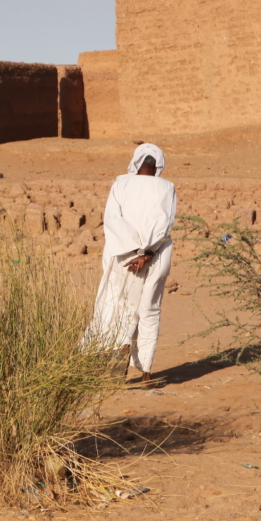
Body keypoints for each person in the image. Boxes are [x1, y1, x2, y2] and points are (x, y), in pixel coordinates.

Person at [85, 143, 177, 385]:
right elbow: (164, 223)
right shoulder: (167, 187)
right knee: (149, 310)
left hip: (124, 255)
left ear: (136, 162)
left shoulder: (120, 184)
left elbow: (113, 220)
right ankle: (146, 372)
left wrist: (135, 251)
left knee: (122, 306)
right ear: (158, 166)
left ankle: (118, 364)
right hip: (156, 254)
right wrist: (146, 252)